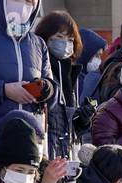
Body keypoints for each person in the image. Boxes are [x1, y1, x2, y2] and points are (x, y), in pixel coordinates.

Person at [33, 9, 86, 159]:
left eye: (70, 39)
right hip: (44, 154)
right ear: (45, 38)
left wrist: (82, 120)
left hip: (65, 155)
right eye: (59, 37)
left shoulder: (70, 73)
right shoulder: (38, 69)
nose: (65, 43)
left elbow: (68, 123)